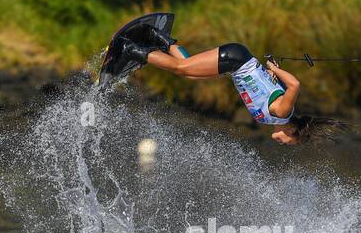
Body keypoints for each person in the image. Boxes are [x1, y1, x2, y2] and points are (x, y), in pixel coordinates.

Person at [120, 26, 345, 145]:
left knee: (189, 74)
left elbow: (266, 86)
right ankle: (130, 49)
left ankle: (159, 38)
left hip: (235, 65)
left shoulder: (275, 115)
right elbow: (295, 84)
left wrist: (269, 72)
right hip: (236, 59)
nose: (284, 144)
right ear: (293, 131)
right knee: (183, 69)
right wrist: (274, 69)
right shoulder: (284, 113)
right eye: (290, 142)